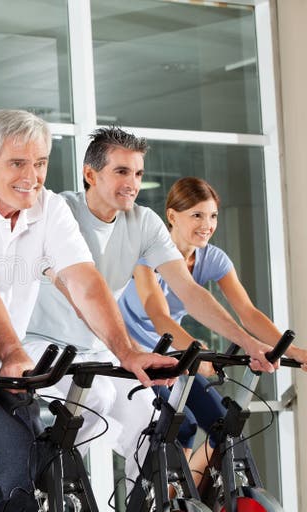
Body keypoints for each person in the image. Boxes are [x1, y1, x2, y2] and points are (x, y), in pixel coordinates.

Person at [0, 110, 178, 511]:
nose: (32, 175)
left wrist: (127, 352)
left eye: (40, 163)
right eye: (17, 163)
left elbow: (84, 282)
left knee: (21, 471)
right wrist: (11, 353)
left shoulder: (48, 208)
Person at [23, 127, 277, 497]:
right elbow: (80, 292)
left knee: (156, 428)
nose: (133, 183)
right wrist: (125, 349)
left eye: (138, 174)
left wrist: (248, 343)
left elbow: (189, 292)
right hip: (43, 346)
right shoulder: (61, 212)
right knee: (96, 401)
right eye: (122, 172)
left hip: (100, 350)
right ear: (90, 175)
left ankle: (145, 502)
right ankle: (44, 484)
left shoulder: (142, 222)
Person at [117, 176, 307, 481]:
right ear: (172, 216)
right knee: (184, 425)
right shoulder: (147, 254)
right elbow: (159, 317)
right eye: (197, 215)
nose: (207, 224)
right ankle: (166, 496)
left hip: (177, 354)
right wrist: (198, 351)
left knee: (225, 425)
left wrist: (295, 353)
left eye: (213, 215)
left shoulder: (212, 258)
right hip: (138, 355)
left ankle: (187, 492)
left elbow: (248, 312)